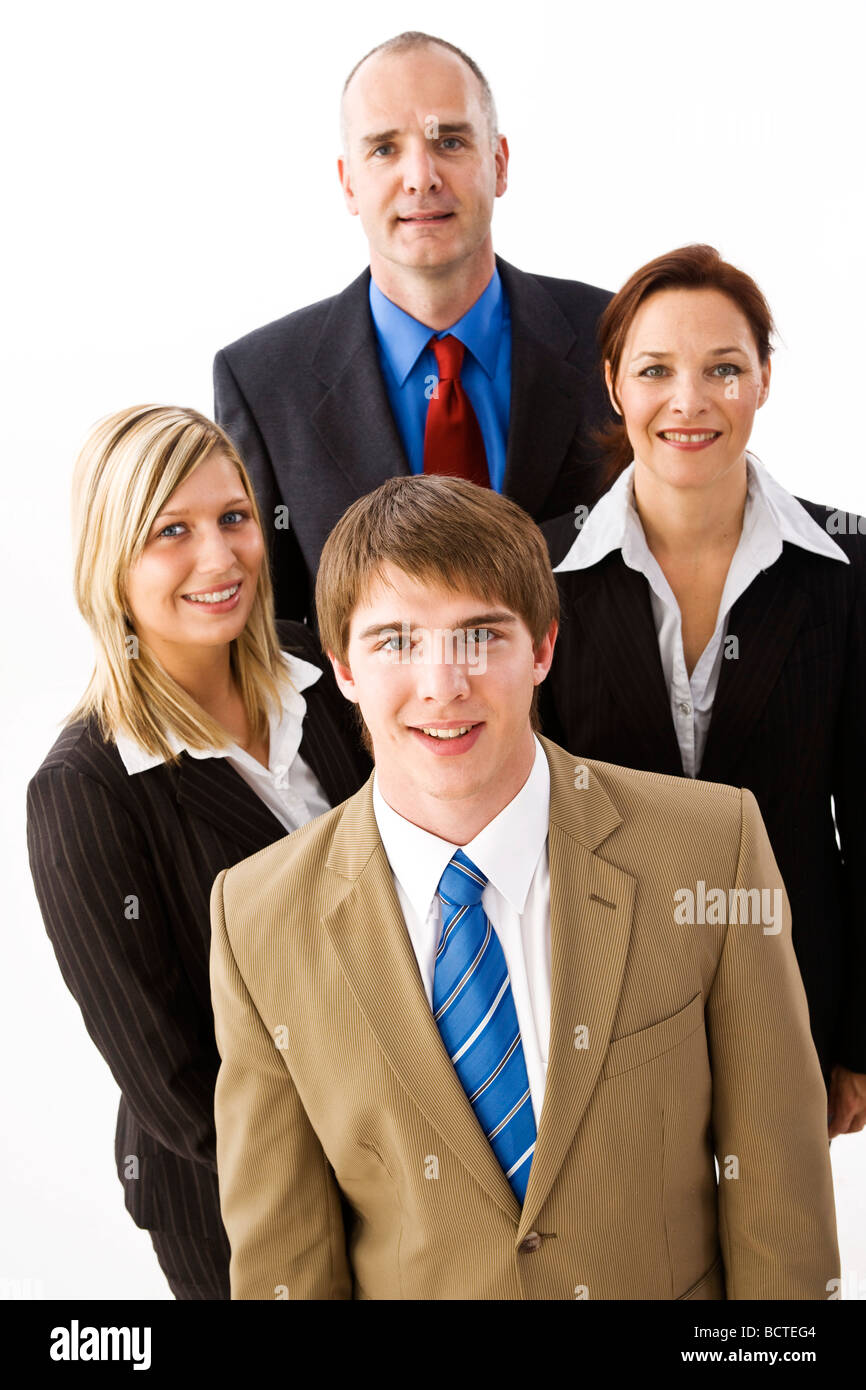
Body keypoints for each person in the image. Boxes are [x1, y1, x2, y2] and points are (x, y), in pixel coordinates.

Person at [209, 473, 838, 1300]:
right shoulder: (257, 917)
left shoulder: (710, 849)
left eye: (480, 635)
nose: (442, 684)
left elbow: (779, 1209)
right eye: (395, 640)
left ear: (541, 649)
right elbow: (285, 1266)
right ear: (343, 668)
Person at [26, 405, 371, 1300]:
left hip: (404, 1151)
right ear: (112, 560)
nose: (219, 558)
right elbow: (170, 1076)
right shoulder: (86, 787)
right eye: (170, 532)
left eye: (234, 518)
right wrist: (365, 1169)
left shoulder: (321, 677)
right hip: (242, 1199)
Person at [540, 244, 866, 1138]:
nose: (689, 401)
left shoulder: (850, 567)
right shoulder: (539, 569)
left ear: (763, 380)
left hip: (797, 997)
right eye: (655, 370)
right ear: (614, 385)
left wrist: (862, 1042)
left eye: (724, 368)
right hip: (597, 1011)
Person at [213, 29, 613, 627]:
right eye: (384, 149)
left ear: (498, 164)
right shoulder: (263, 383)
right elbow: (276, 636)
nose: (420, 177)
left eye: (449, 141)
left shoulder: (617, 339)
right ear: (349, 183)